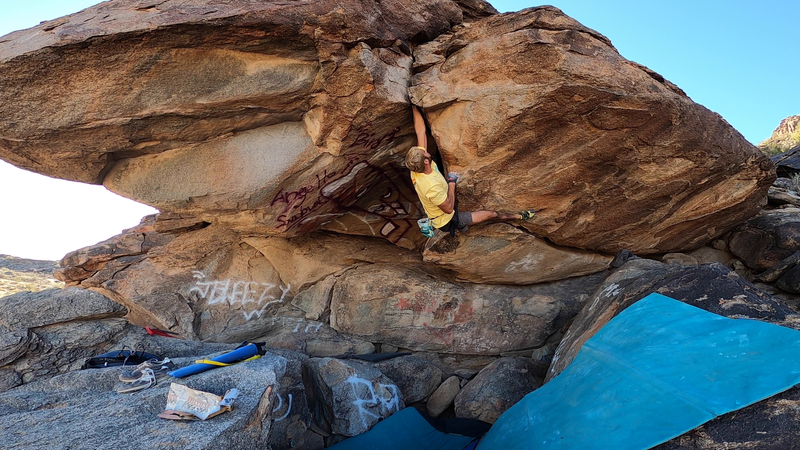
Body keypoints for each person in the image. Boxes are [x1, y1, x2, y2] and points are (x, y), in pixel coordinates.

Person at [404, 105, 535, 236]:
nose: (424, 150)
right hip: (447, 220)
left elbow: (420, 131)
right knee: (492, 214)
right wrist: (451, 182)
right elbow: (449, 208)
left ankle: (463, 226)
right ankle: (519, 216)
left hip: (439, 206)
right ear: (426, 162)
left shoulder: (415, 167)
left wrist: (414, 106)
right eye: (424, 153)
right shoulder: (431, 187)